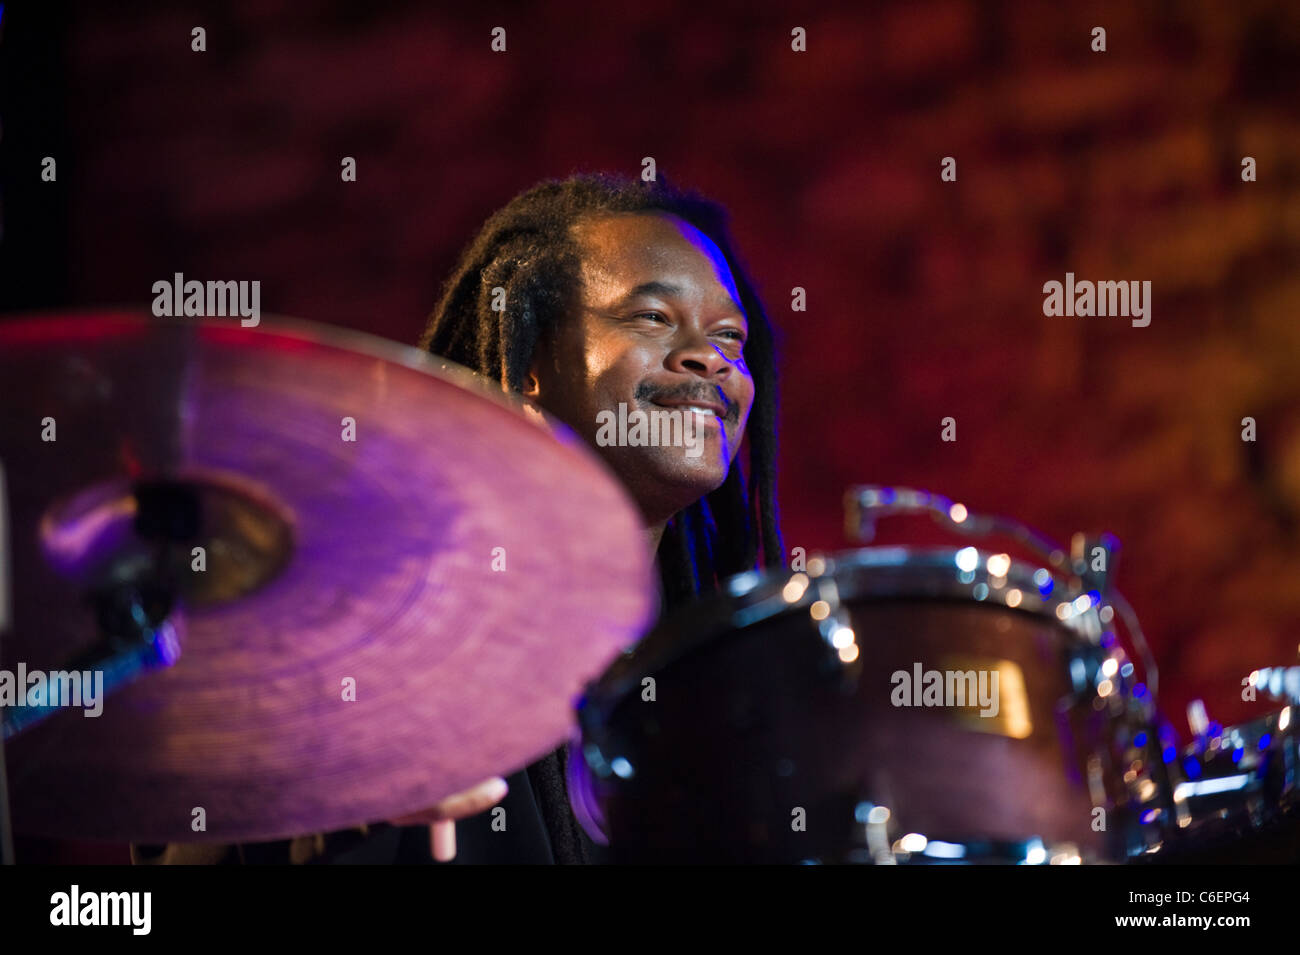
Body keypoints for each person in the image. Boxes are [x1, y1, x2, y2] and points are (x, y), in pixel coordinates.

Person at [132, 171, 782, 865]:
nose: (709, 358)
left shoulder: (718, 689)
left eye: (729, 337)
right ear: (528, 361)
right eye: (652, 317)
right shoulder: (381, 625)